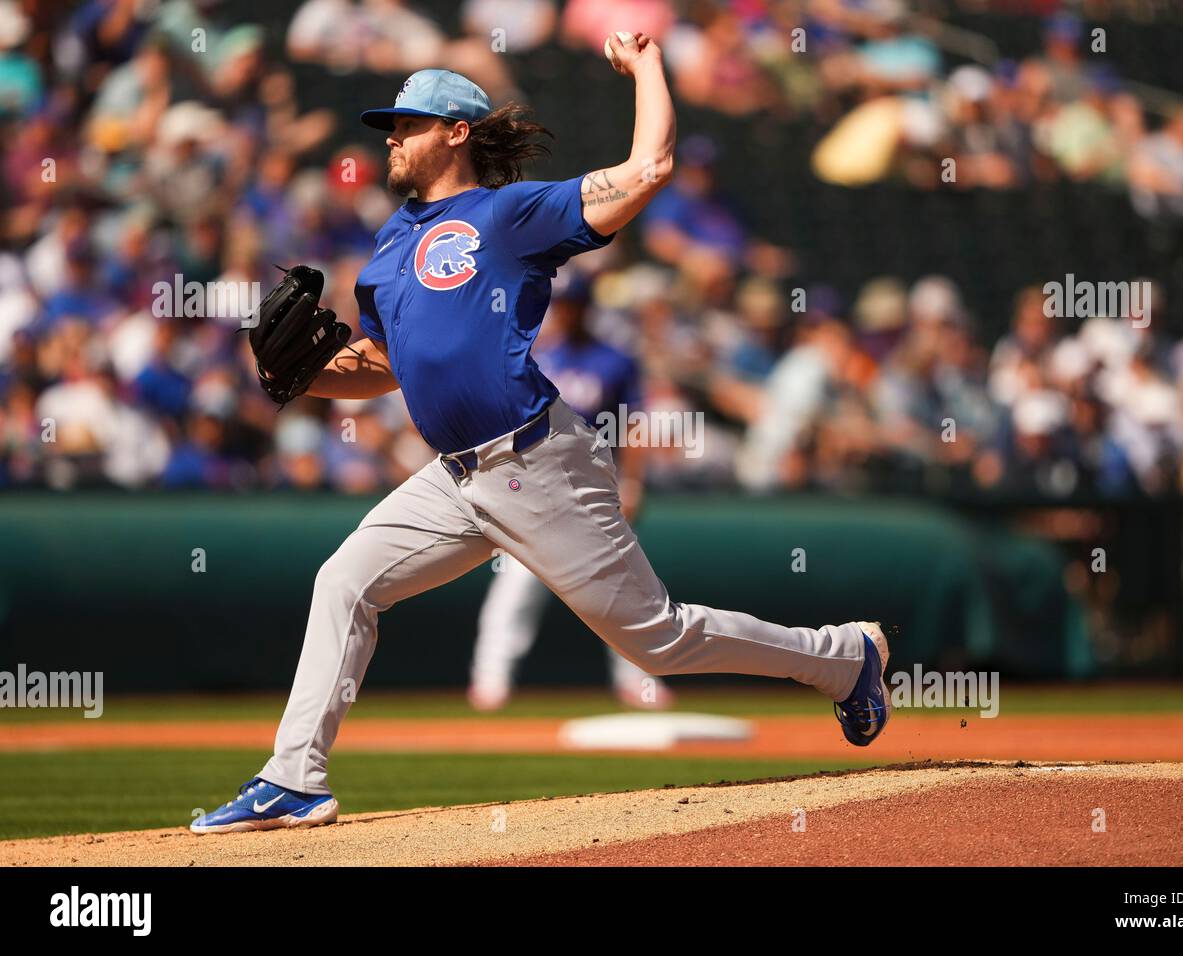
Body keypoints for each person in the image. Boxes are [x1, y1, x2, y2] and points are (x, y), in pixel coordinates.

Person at [189, 40, 890, 835]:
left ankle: (843, 658)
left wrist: (650, 65)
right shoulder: (387, 249)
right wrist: (307, 377)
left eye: (406, 124)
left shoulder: (509, 214)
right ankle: (293, 778)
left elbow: (646, 170)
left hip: (536, 460)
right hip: (453, 479)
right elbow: (386, 364)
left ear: (456, 132)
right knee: (344, 581)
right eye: (388, 126)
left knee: (656, 640)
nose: (389, 137)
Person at [466, 267, 671, 711]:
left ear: (586, 307)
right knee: (516, 586)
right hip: (534, 488)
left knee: (618, 585)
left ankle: (636, 680)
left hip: (591, 485)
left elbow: (634, 425)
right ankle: (491, 680)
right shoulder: (535, 354)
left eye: (573, 303)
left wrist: (633, 480)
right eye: (561, 304)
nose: (566, 311)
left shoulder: (615, 359)